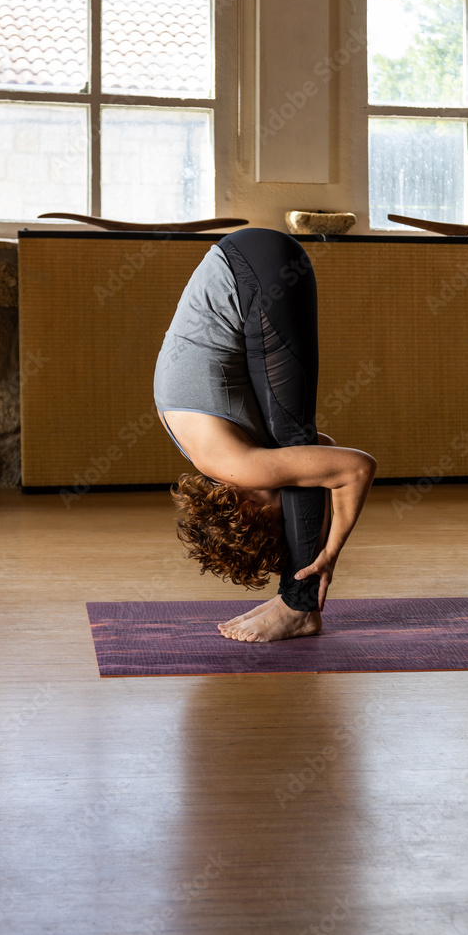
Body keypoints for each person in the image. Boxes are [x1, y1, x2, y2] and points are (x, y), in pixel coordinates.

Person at [153, 227, 376, 643]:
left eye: (279, 524)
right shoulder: (207, 451)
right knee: (297, 446)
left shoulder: (241, 467)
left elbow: (356, 469)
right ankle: (295, 602)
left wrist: (328, 555)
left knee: (295, 442)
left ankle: (299, 606)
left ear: (248, 509)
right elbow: (323, 456)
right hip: (250, 260)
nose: (287, 518)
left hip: (256, 272)